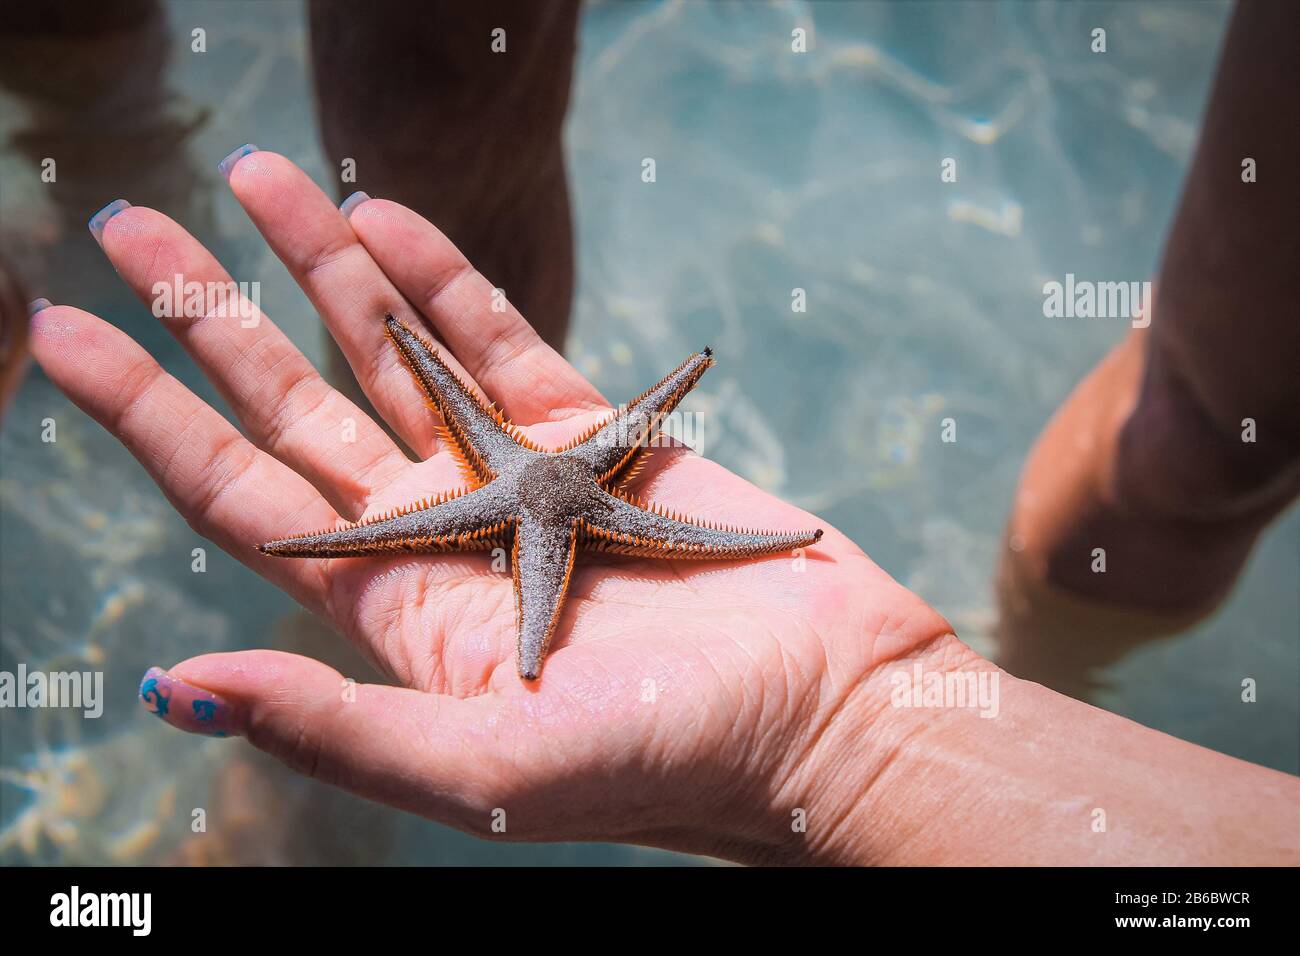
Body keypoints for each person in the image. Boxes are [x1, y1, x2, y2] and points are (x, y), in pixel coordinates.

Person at [28, 149, 1299, 864]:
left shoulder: (560, 502)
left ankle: (1040, 660)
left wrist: (839, 732)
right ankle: (1045, 665)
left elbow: (559, 467)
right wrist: (849, 735)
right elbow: (510, 444)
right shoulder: (552, 494)